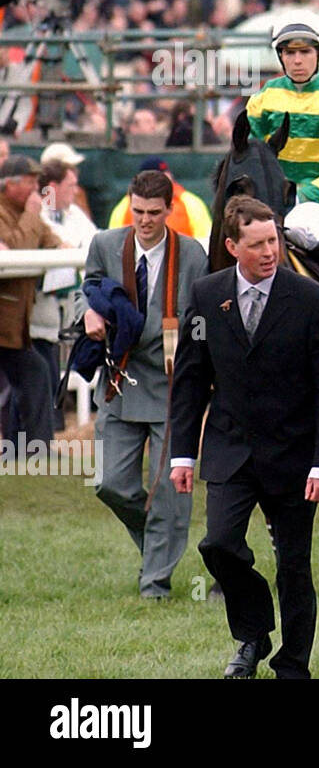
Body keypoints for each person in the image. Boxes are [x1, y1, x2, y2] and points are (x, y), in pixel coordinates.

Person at [169, 197, 319, 678]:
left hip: (295, 456)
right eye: (258, 243)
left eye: (274, 240)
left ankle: (293, 666)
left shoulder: (311, 300)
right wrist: (181, 454)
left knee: (294, 566)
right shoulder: (206, 297)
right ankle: (253, 632)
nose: (270, 251)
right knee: (218, 546)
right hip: (229, 450)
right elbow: (189, 379)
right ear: (232, 246)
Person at [80, 170, 207, 599]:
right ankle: (159, 542)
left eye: (154, 213)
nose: (145, 220)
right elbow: (88, 285)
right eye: (138, 211)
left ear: (170, 210)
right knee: (110, 484)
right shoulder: (105, 243)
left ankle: (155, 584)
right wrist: (89, 313)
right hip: (119, 382)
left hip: (174, 387)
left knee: (172, 494)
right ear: (129, 205)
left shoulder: (192, 255)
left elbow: (204, 318)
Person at [245, 22, 319, 247]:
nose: (297, 60)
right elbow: (250, 155)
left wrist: (302, 195)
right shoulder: (263, 97)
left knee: (300, 229)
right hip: (268, 196)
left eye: (305, 52)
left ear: (318, 54)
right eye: (290, 53)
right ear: (281, 56)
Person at [0, 155, 64, 444]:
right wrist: (32, 213)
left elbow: (52, 241)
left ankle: (38, 453)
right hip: (6, 325)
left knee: (36, 376)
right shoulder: (12, 212)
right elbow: (15, 251)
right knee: (32, 376)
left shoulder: (28, 212)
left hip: (12, 328)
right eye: (28, 181)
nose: (34, 189)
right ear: (9, 184)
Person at [31, 159, 99, 429]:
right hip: (40, 302)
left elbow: (94, 240)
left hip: (65, 303)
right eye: (70, 185)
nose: (75, 190)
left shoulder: (73, 213)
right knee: (39, 368)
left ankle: (50, 429)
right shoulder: (37, 213)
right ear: (54, 187)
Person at [109, 158, 213, 246]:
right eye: (139, 211)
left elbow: (204, 242)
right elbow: (114, 245)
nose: (145, 219)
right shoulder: (123, 207)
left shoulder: (190, 203)